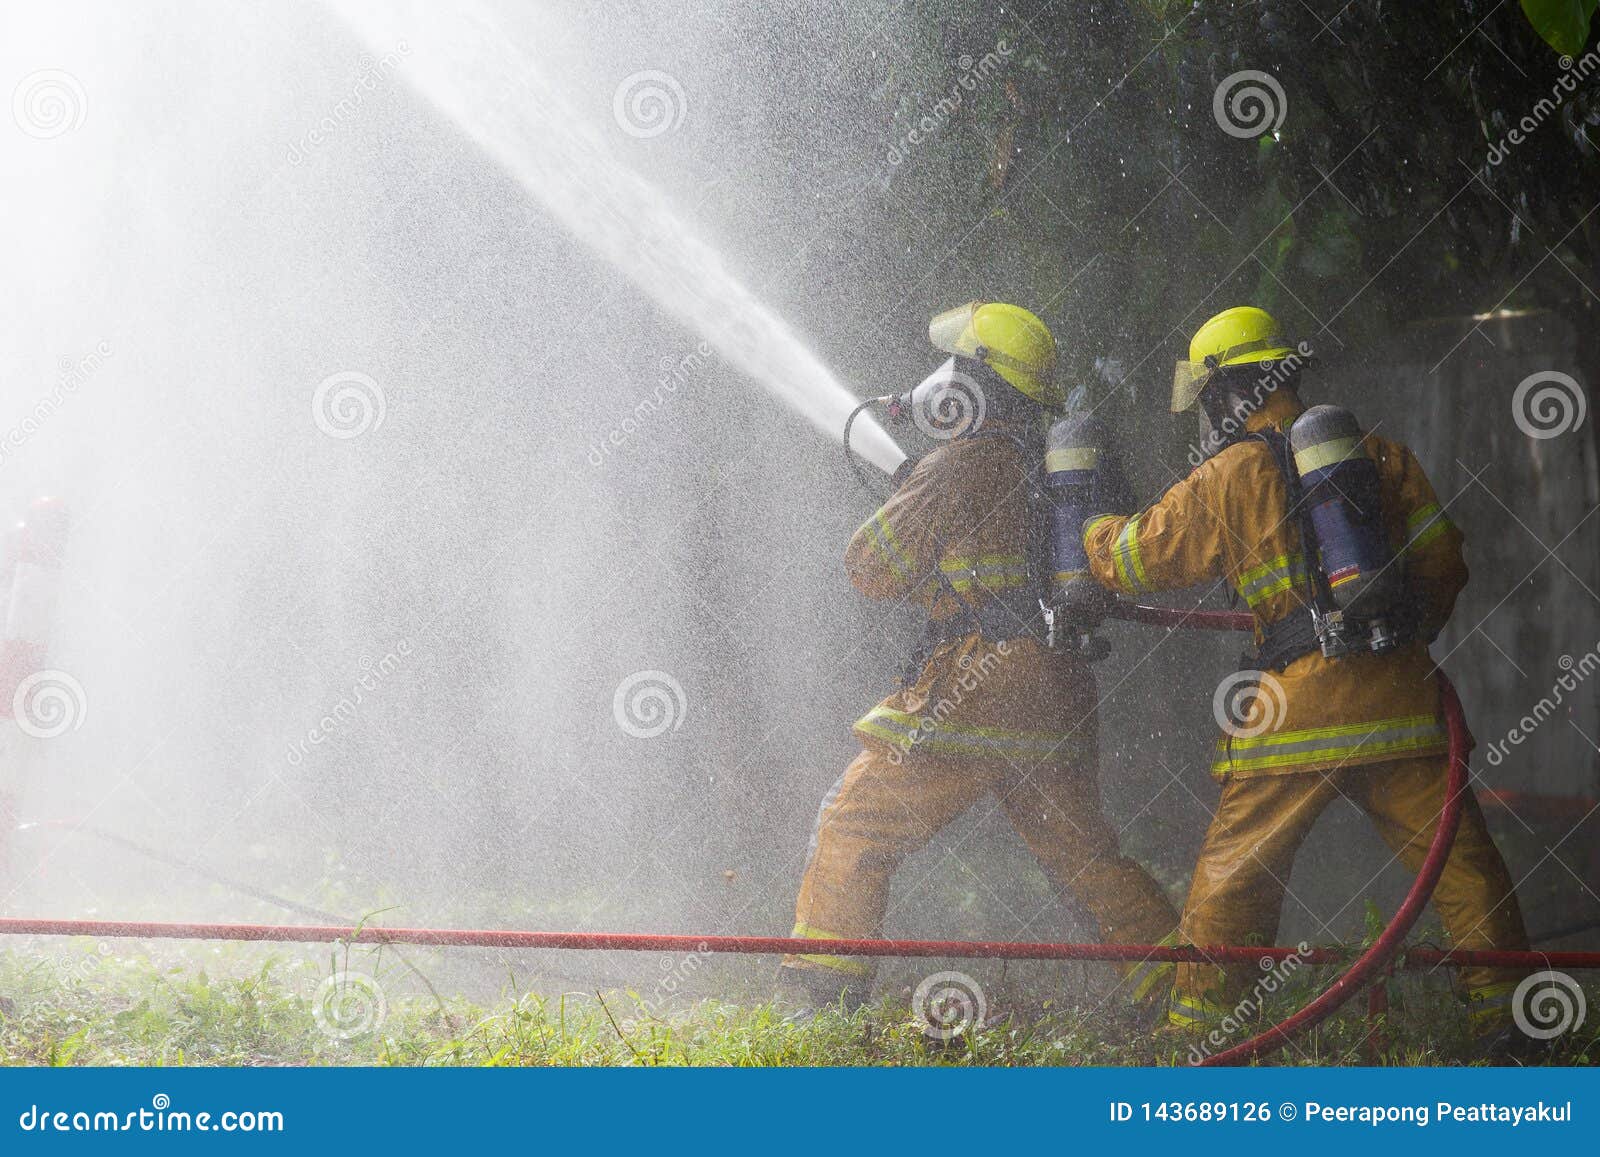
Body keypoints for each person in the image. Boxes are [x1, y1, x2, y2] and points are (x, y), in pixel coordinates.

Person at [1081, 305, 1529, 1041]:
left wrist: (1092, 523)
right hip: (1401, 703)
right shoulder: (1382, 459)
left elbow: (1135, 560)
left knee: (1236, 873)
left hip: (1293, 716)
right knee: (1460, 858)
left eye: (1207, 402)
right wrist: (1399, 642)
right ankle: (1511, 1016)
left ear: (1227, 392)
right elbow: (1446, 561)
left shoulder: (1226, 476)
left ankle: (1203, 1032)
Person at [778, 301, 1179, 1015]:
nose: (937, 382)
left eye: (954, 366)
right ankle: (1183, 991)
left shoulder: (958, 462)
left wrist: (917, 492)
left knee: (855, 822)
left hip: (977, 689)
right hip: (1054, 686)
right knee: (1085, 858)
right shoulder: (1052, 470)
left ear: (977, 382)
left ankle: (822, 999)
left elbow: (869, 565)